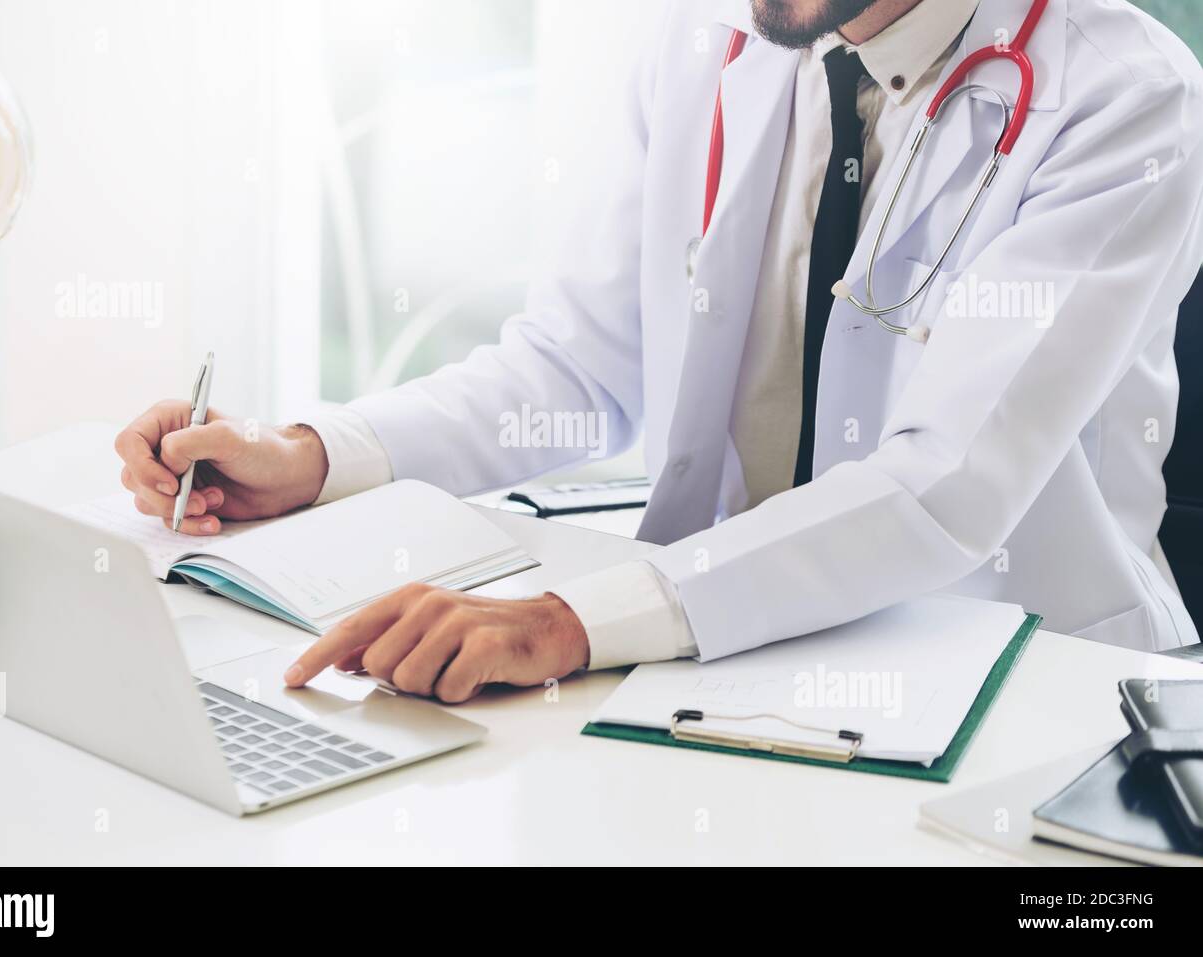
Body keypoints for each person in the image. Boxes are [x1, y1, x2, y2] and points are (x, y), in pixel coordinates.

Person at [115, 0, 1203, 702]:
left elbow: (944, 483)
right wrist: (316, 453)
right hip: (721, 647)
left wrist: (566, 623)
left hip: (1020, 683)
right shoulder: (711, 43)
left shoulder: (1124, 96)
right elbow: (577, 370)